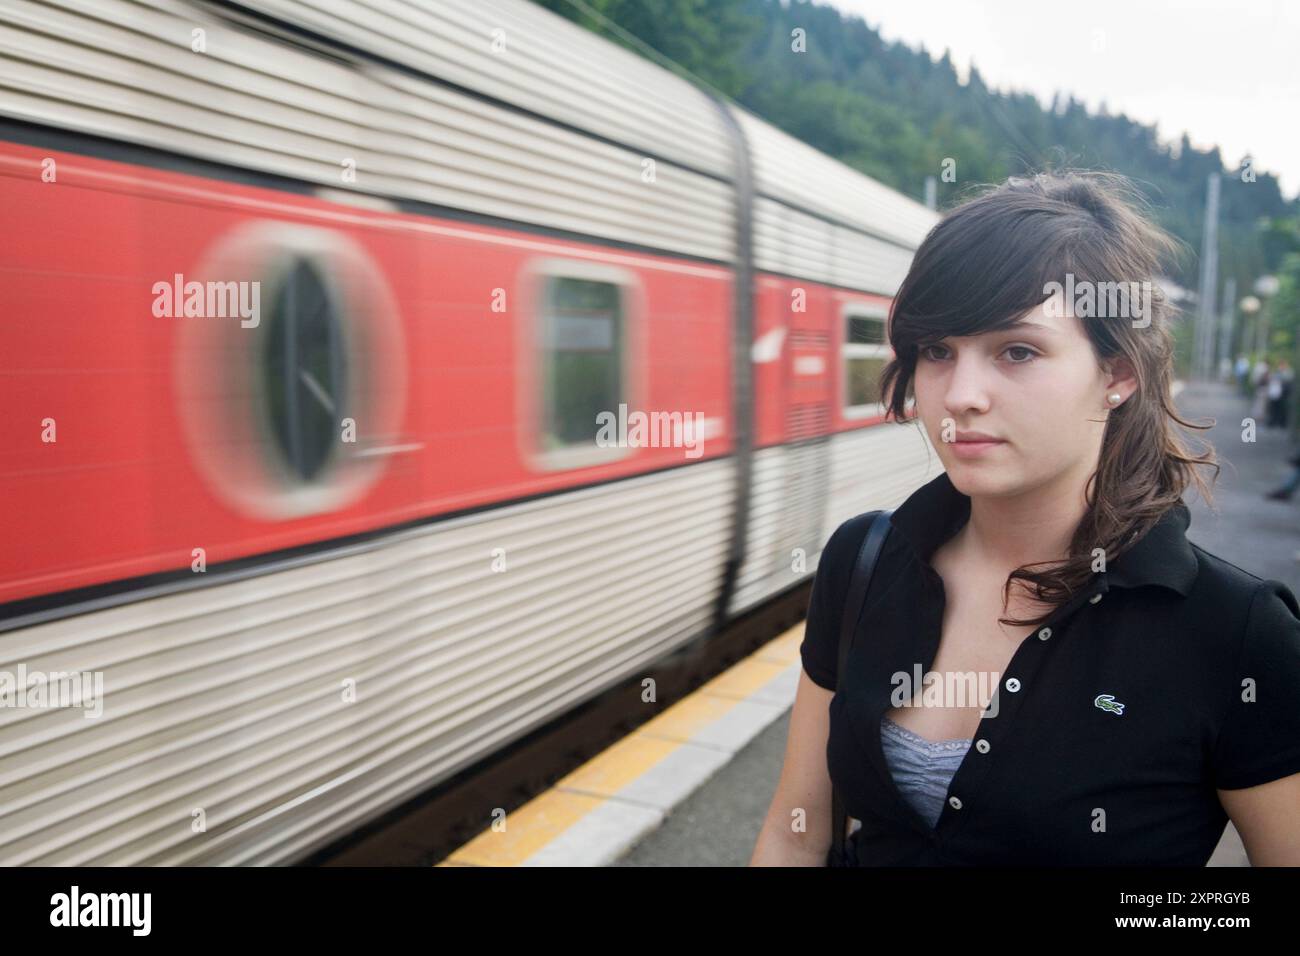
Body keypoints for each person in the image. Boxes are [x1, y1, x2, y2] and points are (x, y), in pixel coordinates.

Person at [750, 170, 1300, 866]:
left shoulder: (1235, 633)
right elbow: (795, 833)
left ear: (1118, 373)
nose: (961, 395)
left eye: (1017, 351)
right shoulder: (863, 563)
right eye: (937, 351)